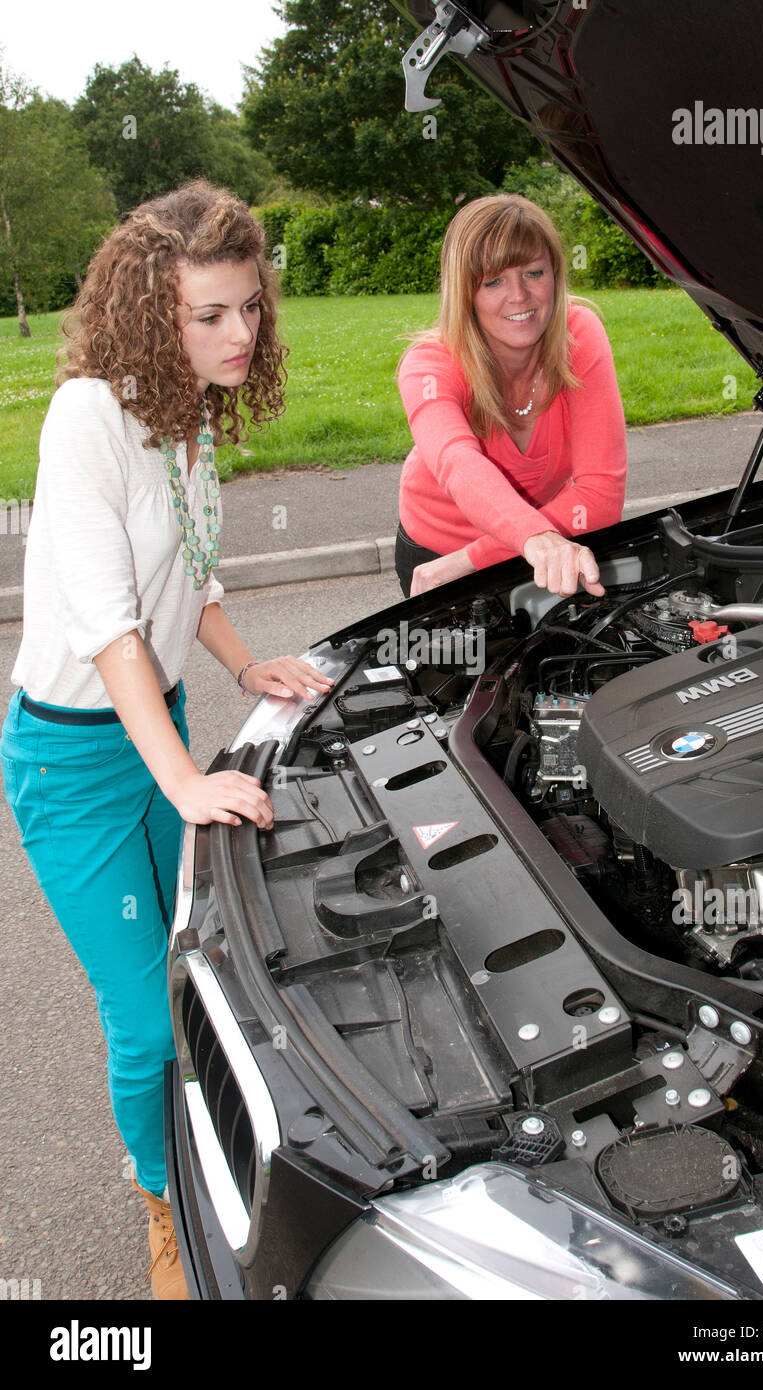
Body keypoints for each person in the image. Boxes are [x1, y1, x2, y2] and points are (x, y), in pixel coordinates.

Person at [0, 180, 334, 1300]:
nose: (239, 332)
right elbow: (109, 631)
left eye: (248, 307)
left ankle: (197, 1159)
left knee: (202, 978)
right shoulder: (87, 418)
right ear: (151, 309)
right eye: (209, 314)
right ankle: (162, 1202)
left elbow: (188, 578)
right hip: (74, 760)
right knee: (144, 1015)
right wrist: (185, 777)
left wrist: (244, 665)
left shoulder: (186, 416)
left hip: (162, 727)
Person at [395, 194, 627, 600]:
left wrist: (494, 553)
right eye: (494, 281)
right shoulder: (428, 366)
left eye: (534, 272)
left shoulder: (579, 334)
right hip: (437, 556)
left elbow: (601, 494)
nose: (519, 295)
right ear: (466, 293)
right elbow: (457, 463)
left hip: (532, 546)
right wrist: (535, 538)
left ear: (555, 274)